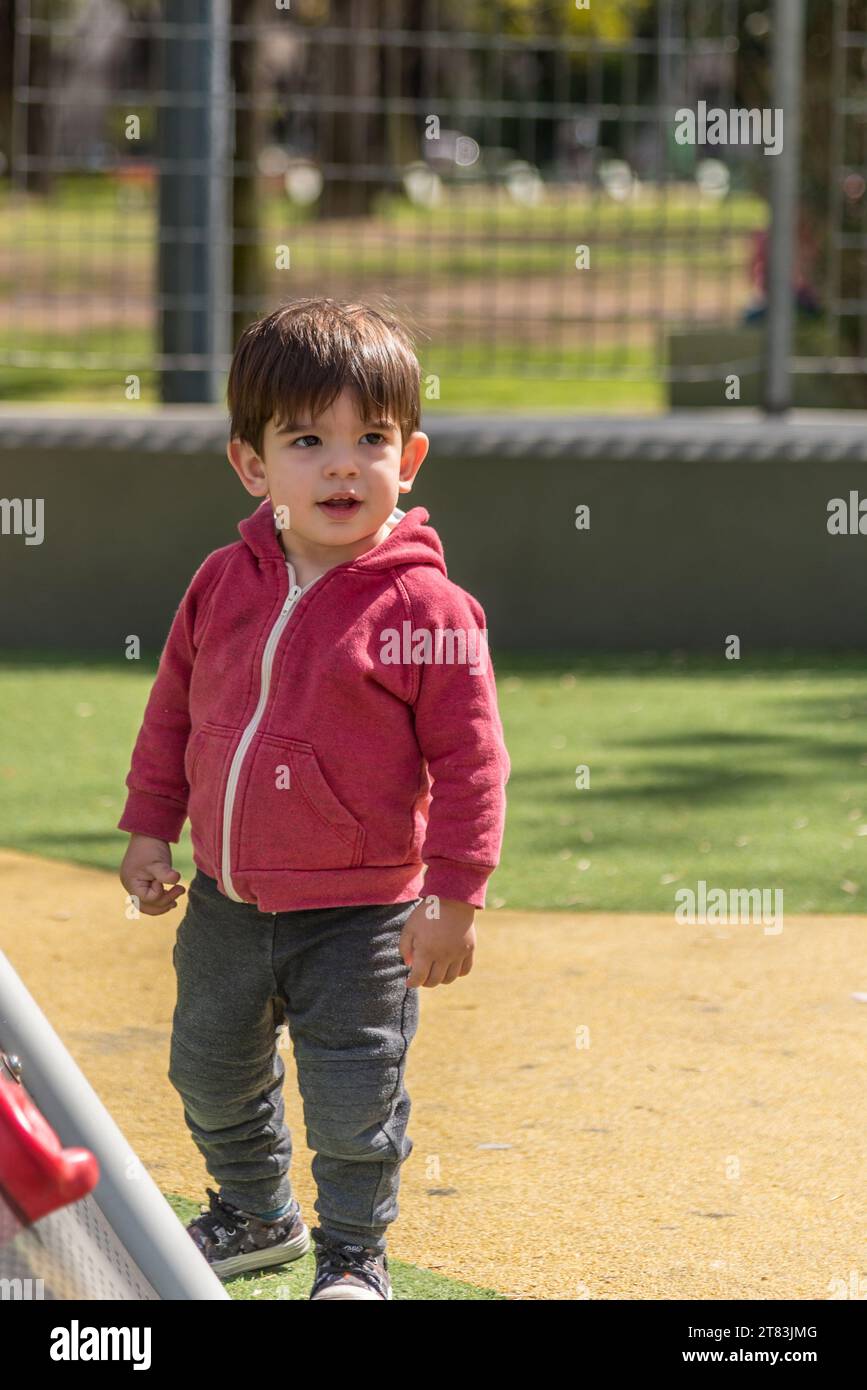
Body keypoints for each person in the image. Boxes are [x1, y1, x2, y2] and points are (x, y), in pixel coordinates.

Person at [116, 296, 511, 1301]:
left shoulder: (430, 611)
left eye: (371, 438)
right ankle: (254, 1212)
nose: (344, 464)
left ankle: (351, 1255)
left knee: (354, 1097)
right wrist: (149, 828)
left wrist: (453, 894)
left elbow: (472, 762)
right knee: (205, 1069)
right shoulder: (219, 583)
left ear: (409, 456)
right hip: (226, 903)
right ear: (253, 465)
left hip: (362, 917)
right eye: (308, 439)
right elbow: (175, 713)